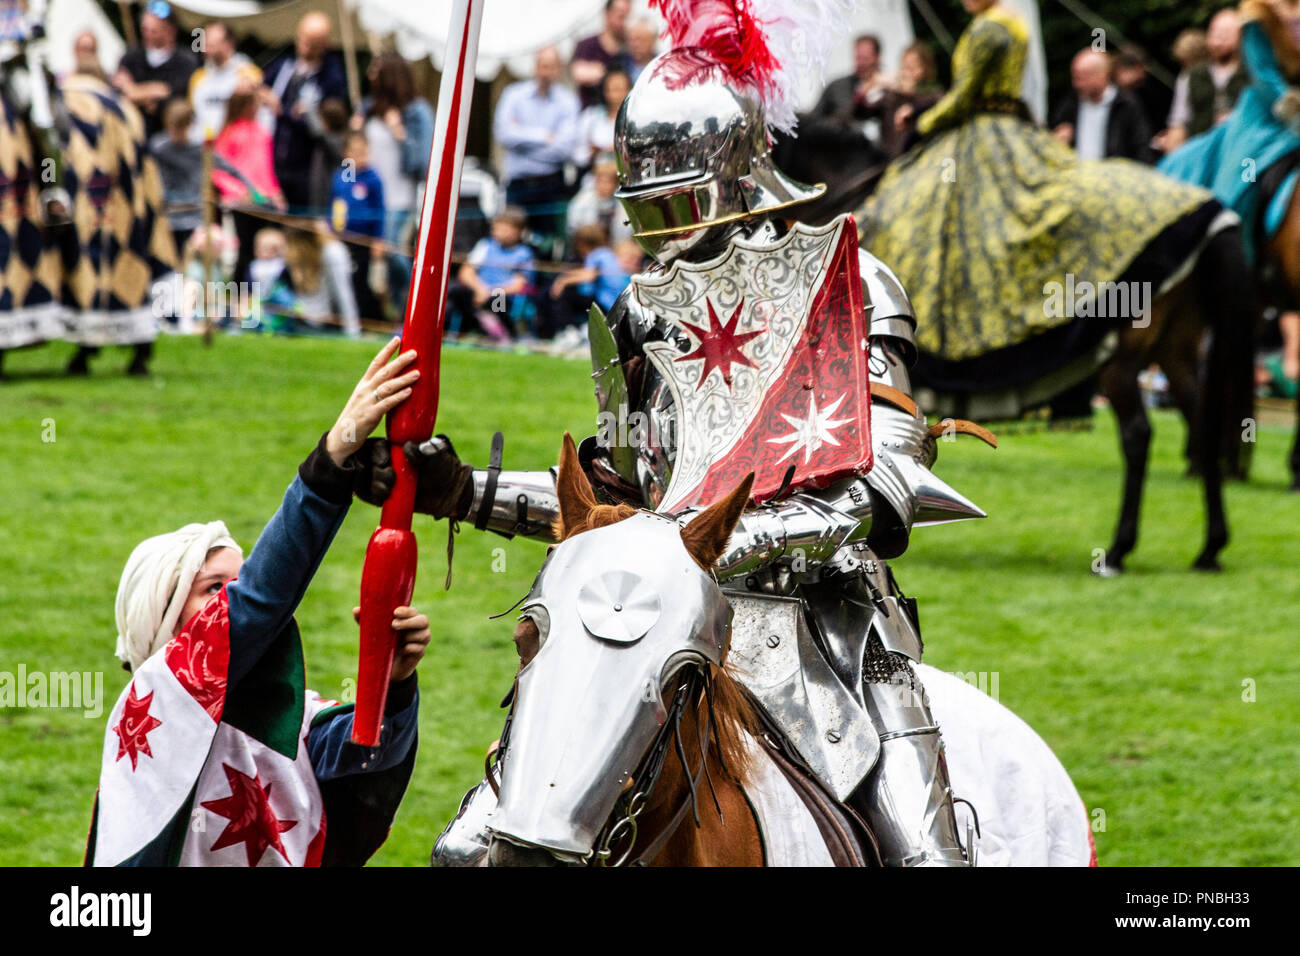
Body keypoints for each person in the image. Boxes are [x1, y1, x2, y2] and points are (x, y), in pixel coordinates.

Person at [417, 3, 1092, 869]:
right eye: (647, 211)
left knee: (929, 860)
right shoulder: (640, 310)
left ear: (739, 173)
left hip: (830, 631)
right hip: (656, 621)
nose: (663, 233)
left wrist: (713, 545)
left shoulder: (847, 285)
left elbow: (887, 478)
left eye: (680, 202)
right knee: (473, 848)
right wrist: (462, 491)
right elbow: (616, 505)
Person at [87, 339, 426, 866]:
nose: (231, 603)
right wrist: (331, 463)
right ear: (162, 617)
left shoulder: (289, 713)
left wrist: (394, 685)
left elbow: (362, 776)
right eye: (213, 590)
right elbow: (260, 604)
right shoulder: (158, 698)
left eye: (236, 584)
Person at [858, 0, 1234, 420]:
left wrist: (922, 121)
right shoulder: (1015, 24)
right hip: (1009, 132)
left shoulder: (989, 28)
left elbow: (967, 96)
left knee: (910, 217)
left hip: (980, 138)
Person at [1161, 0, 1300, 266]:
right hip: (1267, 117)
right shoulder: (1258, 12)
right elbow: (1263, 74)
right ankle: (1236, 268)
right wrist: (1291, 109)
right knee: (1237, 188)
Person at [60, 67, 176, 377]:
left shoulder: (102, 113)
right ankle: (125, 351)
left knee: (110, 264)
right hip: (123, 209)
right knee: (125, 260)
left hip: (104, 207)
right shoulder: (122, 113)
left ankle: (103, 349)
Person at [355, 52, 435, 322]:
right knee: (367, 259)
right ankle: (384, 315)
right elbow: (348, 158)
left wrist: (401, 134)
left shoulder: (417, 112)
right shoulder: (366, 109)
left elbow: (425, 163)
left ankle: (416, 311)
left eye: (376, 69)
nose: (370, 75)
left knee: (391, 254)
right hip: (366, 200)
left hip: (399, 199)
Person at [262, 10, 350, 211]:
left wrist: (310, 114)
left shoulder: (332, 77)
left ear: (323, 45)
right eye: (302, 39)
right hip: (275, 159)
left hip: (308, 165)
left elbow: (333, 123)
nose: (304, 46)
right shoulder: (284, 66)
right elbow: (261, 86)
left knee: (301, 222)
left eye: (312, 43)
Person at [493, 47, 581, 238]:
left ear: (558, 69)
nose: (546, 72)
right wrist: (543, 136)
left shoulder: (568, 101)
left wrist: (521, 143)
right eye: (542, 66)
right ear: (535, 67)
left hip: (550, 185)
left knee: (549, 246)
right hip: (517, 185)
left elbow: (565, 149)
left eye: (551, 67)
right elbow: (503, 135)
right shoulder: (513, 95)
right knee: (510, 240)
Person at [213, 85, 286, 289]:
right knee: (246, 249)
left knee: (269, 248)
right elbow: (219, 171)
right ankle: (238, 296)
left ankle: (268, 294)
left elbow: (266, 167)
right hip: (243, 202)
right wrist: (238, 192)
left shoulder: (262, 132)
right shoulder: (228, 133)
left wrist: (275, 191)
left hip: (265, 200)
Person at [1162, 8, 1249, 154]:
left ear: (1240, 36)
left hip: (1242, 154)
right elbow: (1178, 124)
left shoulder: (1252, 74)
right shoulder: (1190, 76)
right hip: (1202, 154)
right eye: (1215, 32)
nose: (1218, 40)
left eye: (1225, 34)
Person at [112, 1, 199, 140]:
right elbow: (118, 95)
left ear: (171, 31)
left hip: (169, 140)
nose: (148, 35)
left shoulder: (185, 62)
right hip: (131, 136)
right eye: (145, 29)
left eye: (154, 31)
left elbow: (175, 100)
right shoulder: (130, 57)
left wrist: (133, 90)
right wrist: (152, 93)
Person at [446, 207, 535, 342]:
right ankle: (481, 326)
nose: (496, 231)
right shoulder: (485, 245)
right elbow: (466, 272)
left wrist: (490, 292)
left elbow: (519, 285)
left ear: (518, 231)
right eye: (496, 227)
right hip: (478, 292)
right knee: (457, 292)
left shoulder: (524, 253)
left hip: (502, 297)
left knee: (497, 300)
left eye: (503, 228)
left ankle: (499, 333)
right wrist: (480, 289)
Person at [1050, 49, 1154, 162]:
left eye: (1082, 77)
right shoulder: (1070, 103)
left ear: (1102, 75)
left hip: (1112, 175)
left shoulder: (1127, 104)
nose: (1076, 84)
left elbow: (1141, 148)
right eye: (1074, 77)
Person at [330, 130, 387, 323]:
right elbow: (335, 204)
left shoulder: (373, 179)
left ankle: (371, 319)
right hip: (343, 237)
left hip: (365, 239)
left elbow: (380, 212)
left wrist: (378, 240)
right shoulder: (340, 177)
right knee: (345, 279)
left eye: (363, 152)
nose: (360, 156)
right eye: (355, 152)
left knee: (362, 280)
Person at [543, 223, 632, 340]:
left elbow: (589, 275)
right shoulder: (608, 254)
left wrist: (562, 281)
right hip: (619, 302)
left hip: (606, 302)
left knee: (564, 296)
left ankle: (567, 331)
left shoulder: (596, 254)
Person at [187, 20, 264, 141]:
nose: (206, 47)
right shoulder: (197, 77)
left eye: (212, 44)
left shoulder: (249, 74)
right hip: (203, 146)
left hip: (236, 145)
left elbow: (260, 116)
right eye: (205, 43)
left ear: (229, 44)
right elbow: (193, 116)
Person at [150, 98, 203, 254]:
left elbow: (227, 168)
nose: (177, 135)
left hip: (194, 215)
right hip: (166, 216)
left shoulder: (199, 148)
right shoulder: (157, 147)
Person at [810, 34, 885, 143]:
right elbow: (814, 119)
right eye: (858, 58)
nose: (861, 63)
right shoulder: (837, 86)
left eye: (866, 58)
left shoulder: (890, 89)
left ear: (878, 57)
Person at [571, 0, 631, 108]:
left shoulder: (629, 47)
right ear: (607, 14)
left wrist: (598, 72)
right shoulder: (587, 45)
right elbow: (579, 73)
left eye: (627, 16)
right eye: (621, 16)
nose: (624, 22)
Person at [573, 68, 631, 174]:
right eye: (614, 89)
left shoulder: (636, 120)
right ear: (605, 91)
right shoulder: (591, 116)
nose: (618, 95)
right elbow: (577, 156)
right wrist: (592, 153)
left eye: (622, 89)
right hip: (597, 181)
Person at [565, 158, 634, 245]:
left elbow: (628, 231)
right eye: (599, 181)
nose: (602, 186)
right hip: (588, 246)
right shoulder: (583, 199)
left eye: (607, 182)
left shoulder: (624, 202)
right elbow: (573, 228)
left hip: (617, 247)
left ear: (616, 184)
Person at [1112, 47, 1170, 141]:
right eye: (1140, 69)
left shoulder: (1141, 92)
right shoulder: (1110, 98)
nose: (1142, 76)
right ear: (1121, 70)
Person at [622, 16, 658, 84]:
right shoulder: (619, 64)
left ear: (653, 41)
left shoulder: (662, 66)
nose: (635, 44)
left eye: (641, 40)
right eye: (631, 40)